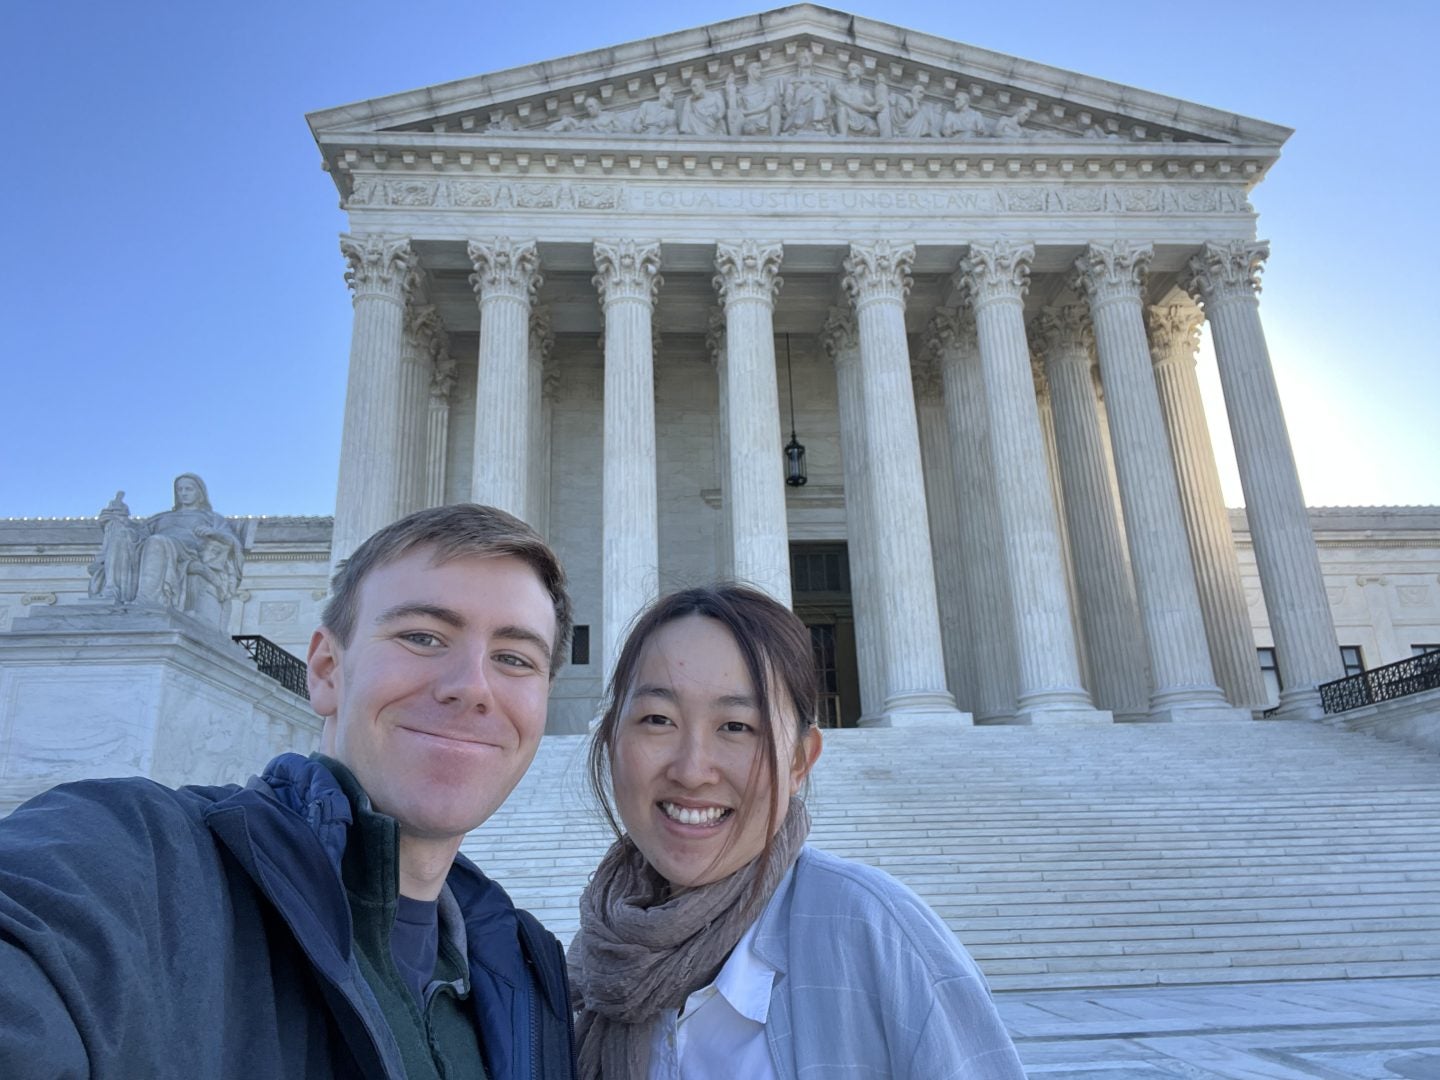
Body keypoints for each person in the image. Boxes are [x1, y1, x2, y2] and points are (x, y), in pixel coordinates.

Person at [0, 503, 580, 1079]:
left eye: (513, 658)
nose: (472, 688)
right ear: (327, 669)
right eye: (424, 637)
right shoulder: (138, 860)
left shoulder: (529, 973)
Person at [568, 584, 1025, 1079]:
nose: (692, 770)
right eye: (658, 719)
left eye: (737, 726)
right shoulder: (587, 964)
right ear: (612, 738)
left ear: (800, 759)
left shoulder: (883, 940)